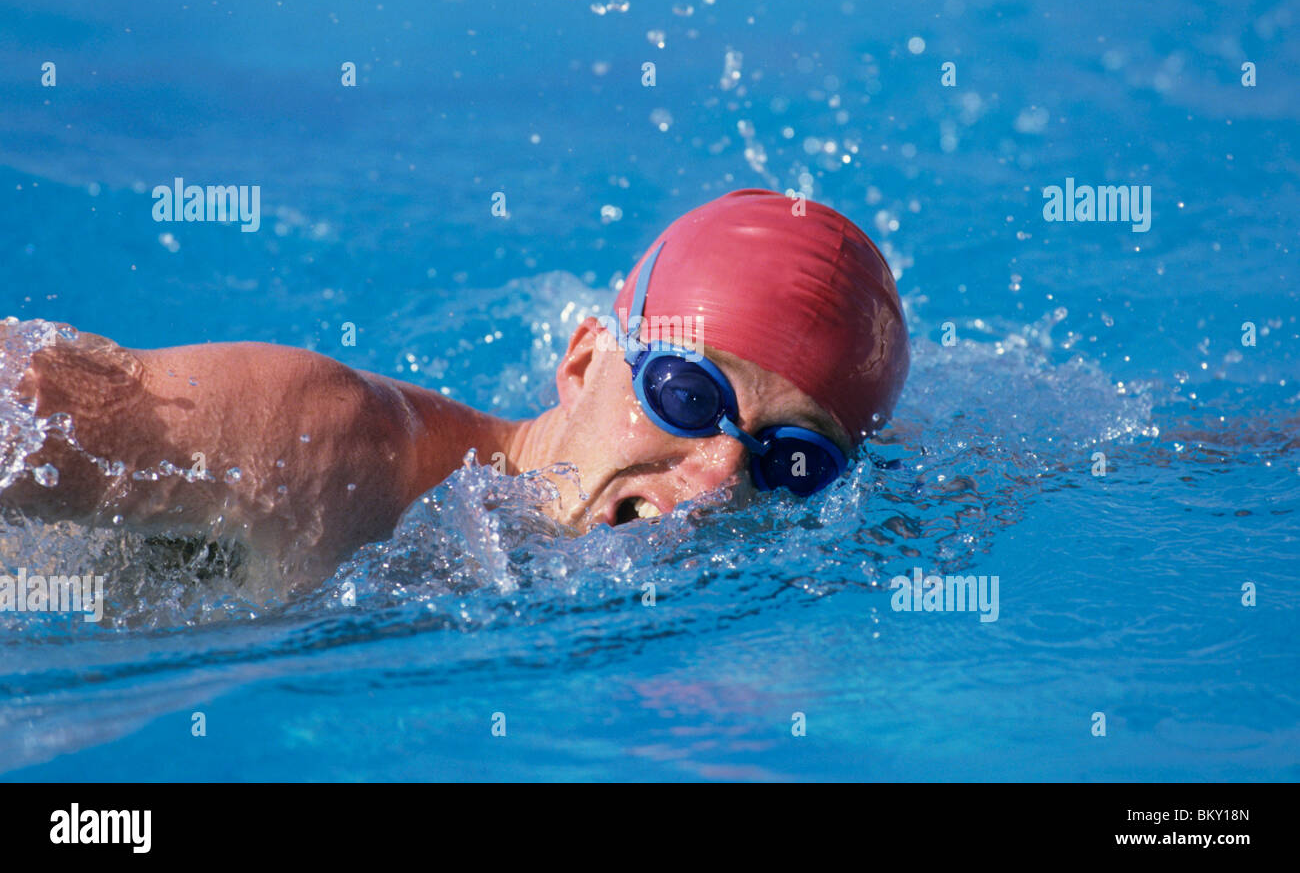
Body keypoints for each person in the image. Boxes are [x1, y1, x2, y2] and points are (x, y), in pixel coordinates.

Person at [0, 189, 909, 592]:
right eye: (686, 394)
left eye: (794, 461)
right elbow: (27, 399)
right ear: (585, 361)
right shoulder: (332, 444)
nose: (719, 482)